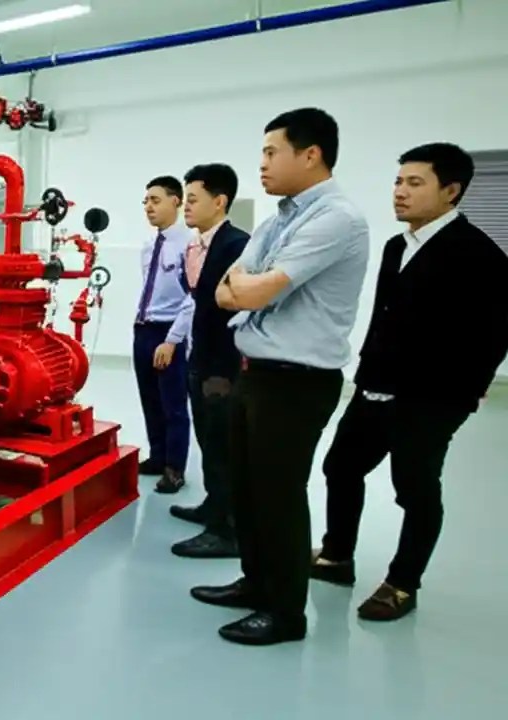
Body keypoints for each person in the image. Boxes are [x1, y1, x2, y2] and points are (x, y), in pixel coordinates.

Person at [191, 108, 370, 646]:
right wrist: (244, 286)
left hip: (297, 380)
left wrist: (247, 286)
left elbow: (254, 291)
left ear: (310, 154)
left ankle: (286, 613)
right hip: (256, 373)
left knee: (279, 496)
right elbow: (225, 290)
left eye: (272, 152)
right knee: (246, 490)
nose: (262, 163)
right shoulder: (276, 220)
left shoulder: (336, 218)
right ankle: (255, 582)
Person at [311, 143, 508, 621]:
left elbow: (496, 330)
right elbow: (385, 315)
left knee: (415, 490)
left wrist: (468, 390)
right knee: (340, 468)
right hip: (375, 385)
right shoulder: (398, 245)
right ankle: (337, 556)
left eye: (414, 183)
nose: (399, 192)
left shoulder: (478, 253)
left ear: (452, 191)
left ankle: (402, 583)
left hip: (432, 400)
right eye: (398, 181)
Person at [169, 164, 250, 559]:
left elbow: (235, 311)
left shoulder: (237, 245)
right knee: (208, 439)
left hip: (222, 364)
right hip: (199, 357)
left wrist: (223, 370)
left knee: (223, 446)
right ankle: (212, 505)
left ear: (219, 202)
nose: (186, 207)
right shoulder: (197, 245)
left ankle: (227, 529)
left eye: (193, 200)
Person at [133, 176, 194, 494]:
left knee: (173, 404)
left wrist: (172, 340)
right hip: (143, 328)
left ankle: (175, 468)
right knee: (150, 399)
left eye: (155, 200)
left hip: (167, 331)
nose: (148, 207)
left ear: (176, 201)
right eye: (145, 201)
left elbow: (191, 298)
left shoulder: (190, 245)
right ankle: (157, 456)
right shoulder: (148, 247)